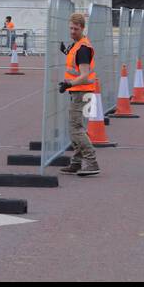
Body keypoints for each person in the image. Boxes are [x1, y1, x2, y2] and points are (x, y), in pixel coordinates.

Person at [58, 12, 100, 177]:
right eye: (70, 28)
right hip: (83, 92)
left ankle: (92, 162)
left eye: (75, 29)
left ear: (82, 28)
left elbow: (83, 75)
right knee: (77, 128)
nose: (72, 31)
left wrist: (69, 83)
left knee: (76, 129)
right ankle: (76, 162)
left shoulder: (83, 48)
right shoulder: (79, 44)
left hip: (81, 92)